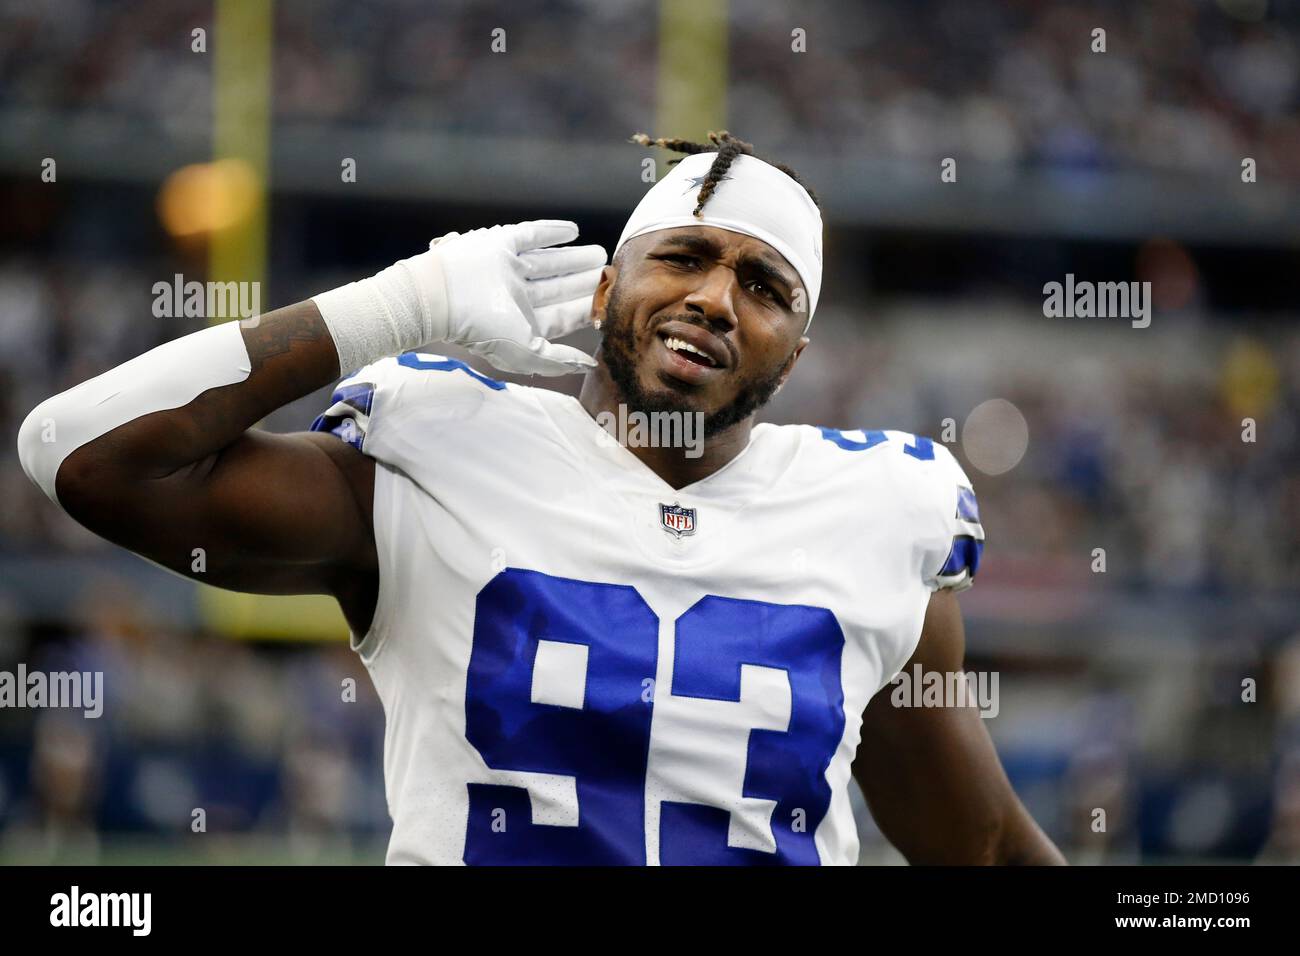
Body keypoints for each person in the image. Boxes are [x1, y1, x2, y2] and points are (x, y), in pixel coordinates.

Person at [17, 131, 1064, 865]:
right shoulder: (442, 458)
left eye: (765, 285)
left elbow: (980, 847)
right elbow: (79, 453)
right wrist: (400, 303)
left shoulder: (877, 514)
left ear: (799, 345)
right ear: (606, 287)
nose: (713, 296)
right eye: (685, 257)